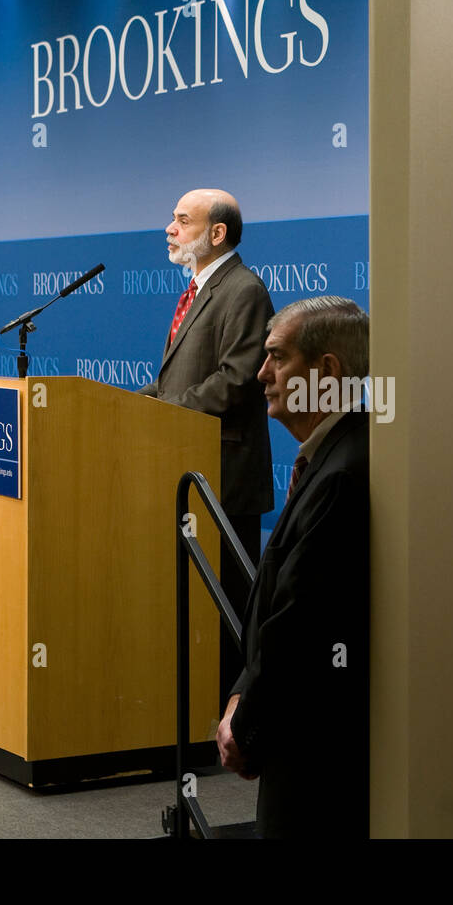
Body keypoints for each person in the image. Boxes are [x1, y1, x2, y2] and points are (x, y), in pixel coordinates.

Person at [215, 296, 370, 839]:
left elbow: (302, 622)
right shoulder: (327, 457)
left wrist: (246, 723)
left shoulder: (346, 471)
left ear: (325, 372)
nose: (261, 375)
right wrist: (239, 696)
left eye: (277, 357)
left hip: (316, 756)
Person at [138, 189, 274, 702]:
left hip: (225, 473)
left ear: (217, 233)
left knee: (229, 606)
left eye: (181, 220)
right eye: (172, 219)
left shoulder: (243, 290)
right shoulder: (198, 290)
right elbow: (177, 381)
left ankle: (235, 713)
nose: (169, 229)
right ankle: (200, 706)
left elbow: (238, 380)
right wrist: (130, 405)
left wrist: (165, 409)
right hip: (190, 466)